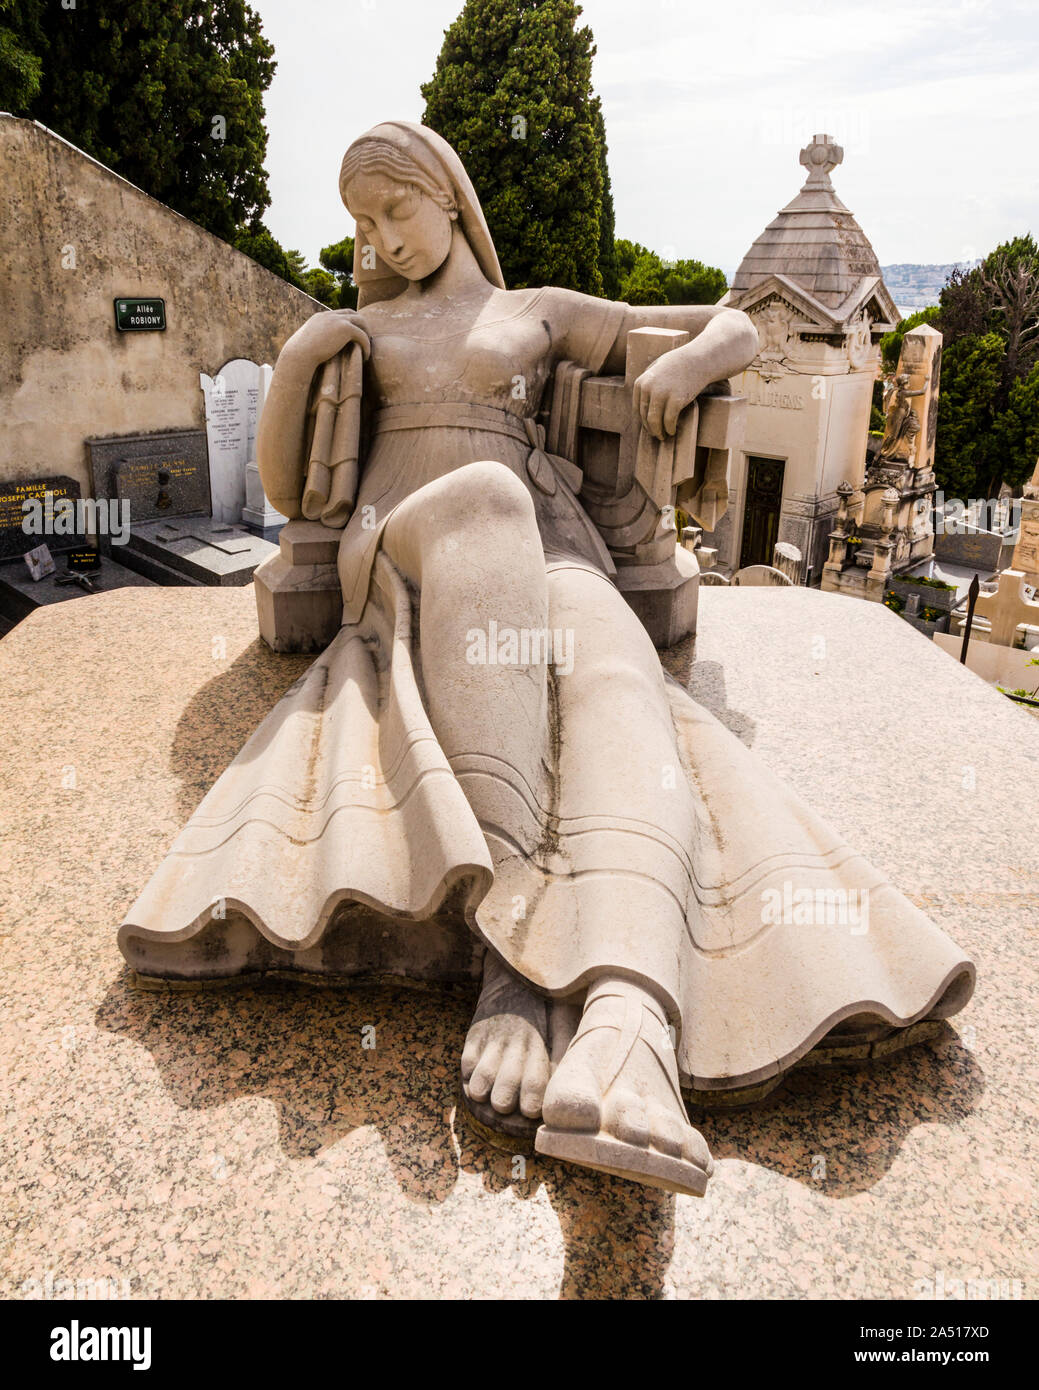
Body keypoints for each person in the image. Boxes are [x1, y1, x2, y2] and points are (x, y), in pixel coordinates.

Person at [121, 124, 974, 1199]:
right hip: (409, 546)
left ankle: (627, 1023)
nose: (383, 236)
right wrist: (303, 353)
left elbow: (731, 329)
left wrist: (695, 359)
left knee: (622, 679)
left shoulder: (543, 313)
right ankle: (519, 961)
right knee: (487, 503)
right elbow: (291, 485)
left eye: (398, 209)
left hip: (552, 549)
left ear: (449, 194)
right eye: (362, 223)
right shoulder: (365, 329)